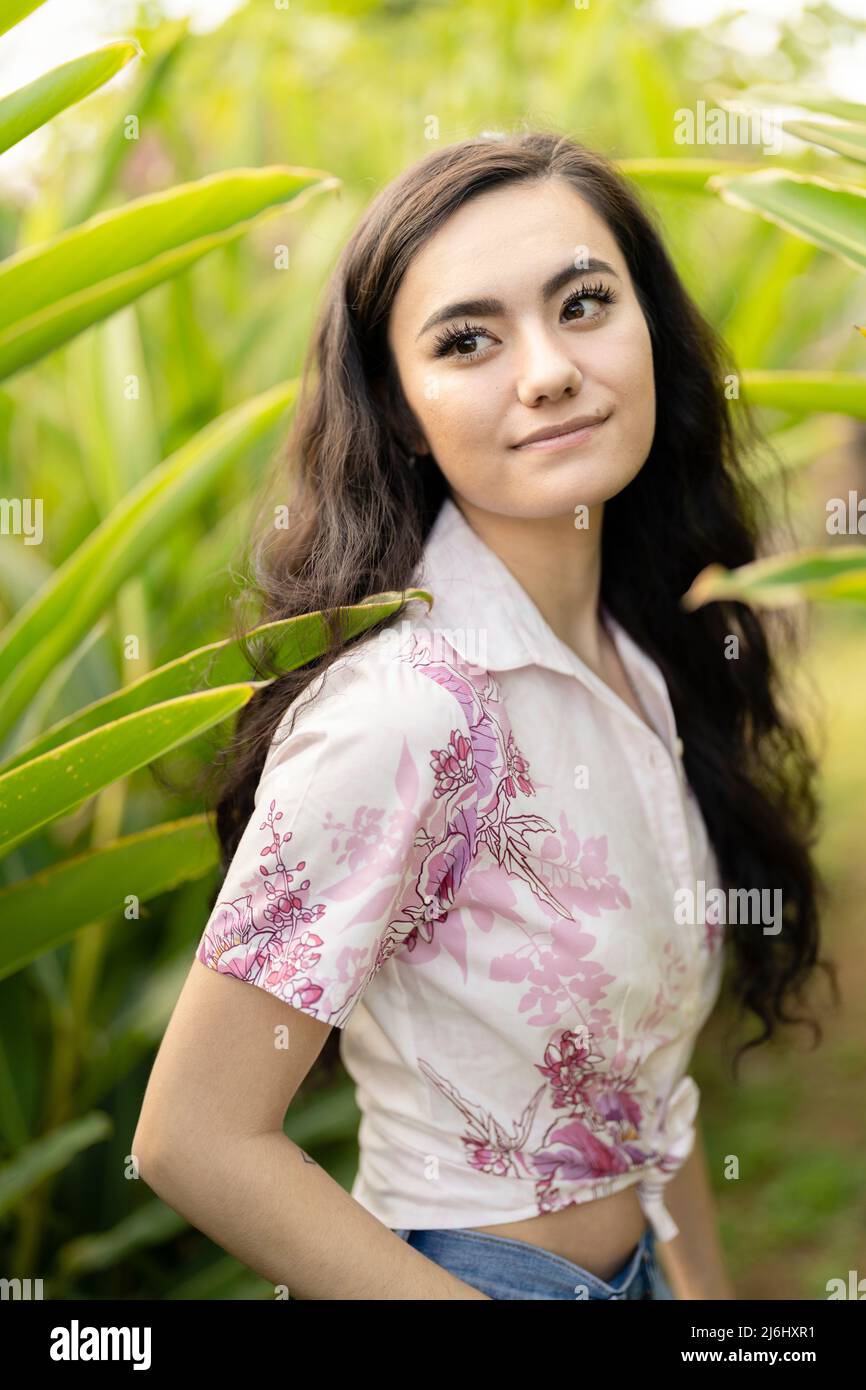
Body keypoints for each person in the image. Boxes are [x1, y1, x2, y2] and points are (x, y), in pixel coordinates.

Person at [132, 129, 831, 1301]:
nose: (547, 370)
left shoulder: (641, 657)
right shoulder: (405, 711)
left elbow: (647, 1101)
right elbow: (192, 1138)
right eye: (467, 340)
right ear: (402, 412)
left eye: (582, 303)